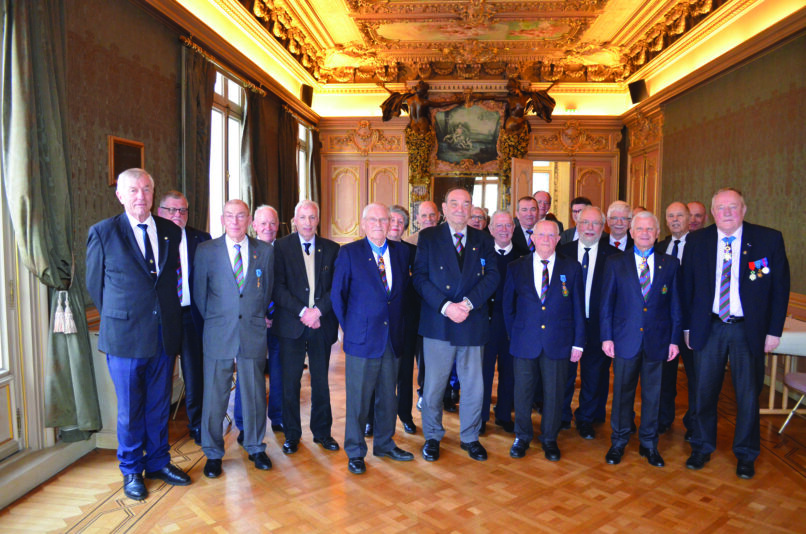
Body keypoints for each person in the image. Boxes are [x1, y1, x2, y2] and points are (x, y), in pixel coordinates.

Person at [86, 168, 190, 500]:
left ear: (153, 194)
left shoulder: (170, 231)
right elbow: (96, 287)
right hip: (125, 338)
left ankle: (158, 462)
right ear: (120, 195)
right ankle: (131, 470)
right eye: (132, 190)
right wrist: (123, 318)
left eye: (146, 189)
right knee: (130, 409)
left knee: (159, 404)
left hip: (162, 336)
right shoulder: (104, 233)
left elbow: (169, 282)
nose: (140, 196)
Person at [683, 188, 789, 479]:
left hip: (748, 330)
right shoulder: (697, 240)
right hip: (710, 327)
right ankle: (701, 447)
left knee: (748, 395)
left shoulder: (768, 240)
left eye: (733, 207)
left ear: (744, 210)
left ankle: (746, 454)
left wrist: (773, 331)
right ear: (712, 212)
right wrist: (688, 327)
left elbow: (780, 289)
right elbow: (686, 287)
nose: (727, 212)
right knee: (704, 392)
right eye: (721, 207)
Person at [412, 188, 499, 462]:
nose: (460, 209)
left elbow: (493, 276)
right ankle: (432, 436)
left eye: (466, 203)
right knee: (434, 386)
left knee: (474, 386)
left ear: (472, 208)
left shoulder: (484, 239)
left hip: (471, 321)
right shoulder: (428, 237)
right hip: (439, 321)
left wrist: (468, 304)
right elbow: (420, 278)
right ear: (444, 208)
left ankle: (470, 437)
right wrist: (447, 306)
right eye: (454, 203)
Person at [332, 203, 415, 475]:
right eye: (373, 220)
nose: (379, 224)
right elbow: (337, 296)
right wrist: (351, 329)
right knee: (358, 400)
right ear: (364, 224)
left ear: (390, 223)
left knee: (388, 397)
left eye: (383, 220)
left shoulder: (402, 252)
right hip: (362, 339)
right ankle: (355, 451)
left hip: (392, 338)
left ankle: (384, 444)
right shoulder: (349, 253)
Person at [193, 200, 274, 478]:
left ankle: (255, 446)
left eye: (241, 216)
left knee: (254, 393)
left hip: (252, 331)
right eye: (230, 216)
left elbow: (266, 291)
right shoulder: (206, 251)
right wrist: (221, 318)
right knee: (215, 395)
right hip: (218, 332)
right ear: (222, 219)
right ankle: (213, 453)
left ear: (249, 220)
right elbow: (200, 295)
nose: (236, 221)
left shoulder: (264, 251)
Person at [600, 211, 682, 468]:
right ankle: (618, 441)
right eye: (640, 229)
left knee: (653, 396)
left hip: (658, 341)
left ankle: (649, 443)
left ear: (657, 234)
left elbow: (676, 305)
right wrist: (606, 337)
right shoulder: (615, 262)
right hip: (624, 340)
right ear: (631, 232)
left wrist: (674, 340)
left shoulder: (670, 264)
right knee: (622, 394)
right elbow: (606, 304)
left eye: (650, 229)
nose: (645, 233)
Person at [504, 220, 585, 461]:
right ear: (533, 238)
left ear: (559, 239)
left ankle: (549, 438)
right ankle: (522, 436)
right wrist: (515, 336)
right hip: (524, 342)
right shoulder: (516, 267)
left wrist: (578, 342)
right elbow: (508, 307)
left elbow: (578, 308)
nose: (546, 240)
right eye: (542, 235)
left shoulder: (572, 267)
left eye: (551, 235)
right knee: (522, 393)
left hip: (558, 341)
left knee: (554, 393)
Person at [273, 200, 341, 455]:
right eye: (303, 217)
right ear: (295, 220)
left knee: (321, 383)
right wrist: (303, 312)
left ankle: (323, 433)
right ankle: (292, 435)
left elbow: (336, 287)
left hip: (321, 324)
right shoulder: (281, 247)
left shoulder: (332, 249)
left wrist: (318, 311)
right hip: (292, 325)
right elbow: (277, 287)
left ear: (318, 220)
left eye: (312, 217)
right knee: (290, 383)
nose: (308, 222)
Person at [557, 206, 619, 439]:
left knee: (593, 376)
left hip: (597, 326)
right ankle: (562, 415)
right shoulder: (562, 252)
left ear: (603, 227)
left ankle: (586, 419)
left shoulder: (614, 256)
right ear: (577, 224)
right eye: (585, 223)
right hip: (566, 325)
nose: (590, 228)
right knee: (564, 374)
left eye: (595, 223)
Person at [156, 191, 211, 446]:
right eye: (172, 210)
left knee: (194, 374)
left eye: (183, 210)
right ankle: (157, 434)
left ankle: (197, 425)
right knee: (159, 377)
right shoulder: (152, 238)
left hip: (192, 316)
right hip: (161, 319)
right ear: (160, 211)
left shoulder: (202, 239)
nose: (178, 215)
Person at [233, 205, 284, 446]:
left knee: (279, 371)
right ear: (254, 225)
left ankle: (278, 417)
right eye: (263, 223)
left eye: (272, 223)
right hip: (251, 323)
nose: (268, 228)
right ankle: (244, 424)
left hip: (280, 321)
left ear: (278, 225)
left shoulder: (284, 251)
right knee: (248, 374)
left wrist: (273, 313)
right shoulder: (245, 249)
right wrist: (260, 314)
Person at [481, 211, 520, 435]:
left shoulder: (524, 255)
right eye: (499, 226)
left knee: (510, 371)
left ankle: (504, 415)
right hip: (486, 321)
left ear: (513, 229)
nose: (504, 230)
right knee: (483, 371)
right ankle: (481, 417)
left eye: (508, 226)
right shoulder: (482, 254)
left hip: (513, 322)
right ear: (491, 229)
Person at [657, 202, 692, 437]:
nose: (675, 220)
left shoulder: (700, 246)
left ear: (688, 219)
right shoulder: (660, 247)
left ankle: (694, 424)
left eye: (680, 215)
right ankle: (663, 419)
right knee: (664, 376)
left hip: (691, 324)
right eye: (671, 216)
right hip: (665, 324)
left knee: (695, 376)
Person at [387, 204, 418, 434]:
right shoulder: (374, 249)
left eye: (401, 222)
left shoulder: (413, 252)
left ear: (405, 227)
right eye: (392, 220)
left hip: (407, 321)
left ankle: (405, 415)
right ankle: (373, 418)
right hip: (381, 323)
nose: (396, 225)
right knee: (378, 373)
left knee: (405, 372)